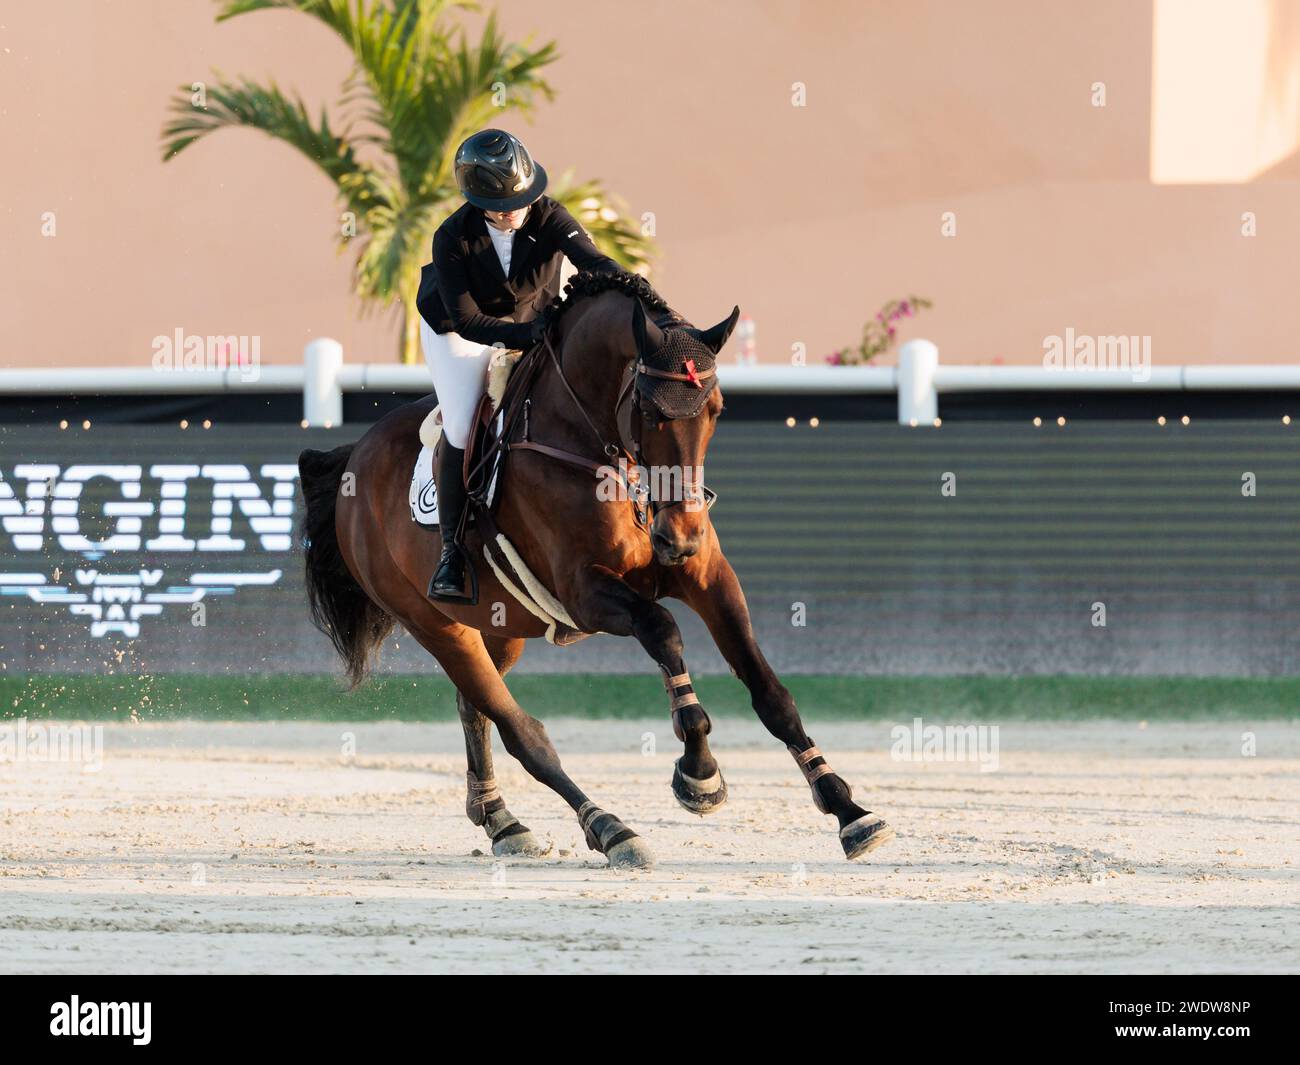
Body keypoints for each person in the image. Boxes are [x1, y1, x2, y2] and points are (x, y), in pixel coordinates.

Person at [416, 129, 621, 600]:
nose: (513, 209)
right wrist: (525, 334)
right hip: (458, 332)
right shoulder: (451, 236)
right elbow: (468, 319)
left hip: (530, 321)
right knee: (465, 426)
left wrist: (635, 294)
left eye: (521, 197)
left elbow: (594, 262)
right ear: (475, 199)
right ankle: (451, 554)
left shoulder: (549, 215)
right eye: (500, 203)